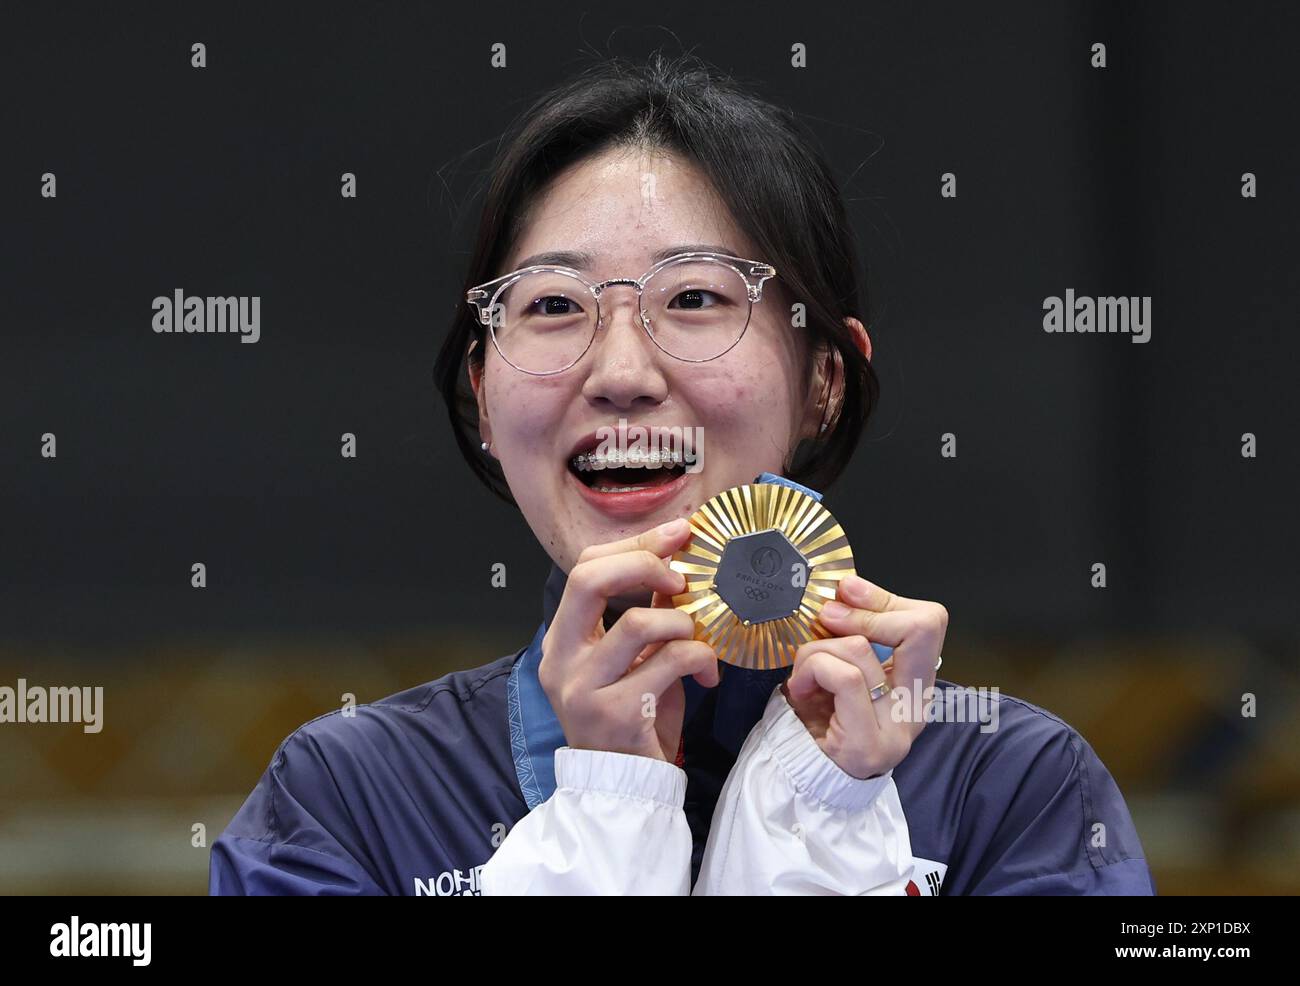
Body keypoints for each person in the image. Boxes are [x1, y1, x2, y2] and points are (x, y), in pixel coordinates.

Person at [209, 51, 1156, 896]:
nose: (621, 374)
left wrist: (822, 818)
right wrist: (606, 822)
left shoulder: (1015, 796)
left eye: (696, 297)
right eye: (551, 305)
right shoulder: (345, 807)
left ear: (827, 378)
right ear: (484, 395)